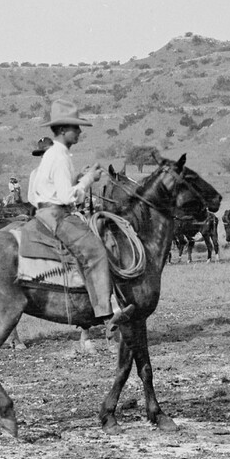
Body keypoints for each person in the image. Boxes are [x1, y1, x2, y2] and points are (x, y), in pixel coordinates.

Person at [27, 100, 131, 331]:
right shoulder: (60, 155)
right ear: (63, 130)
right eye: (76, 128)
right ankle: (107, 312)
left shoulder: (52, 154)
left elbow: (52, 189)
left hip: (45, 212)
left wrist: (78, 178)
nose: (80, 132)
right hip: (57, 215)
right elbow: (66, 197)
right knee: (96, 251)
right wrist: (87, 180)